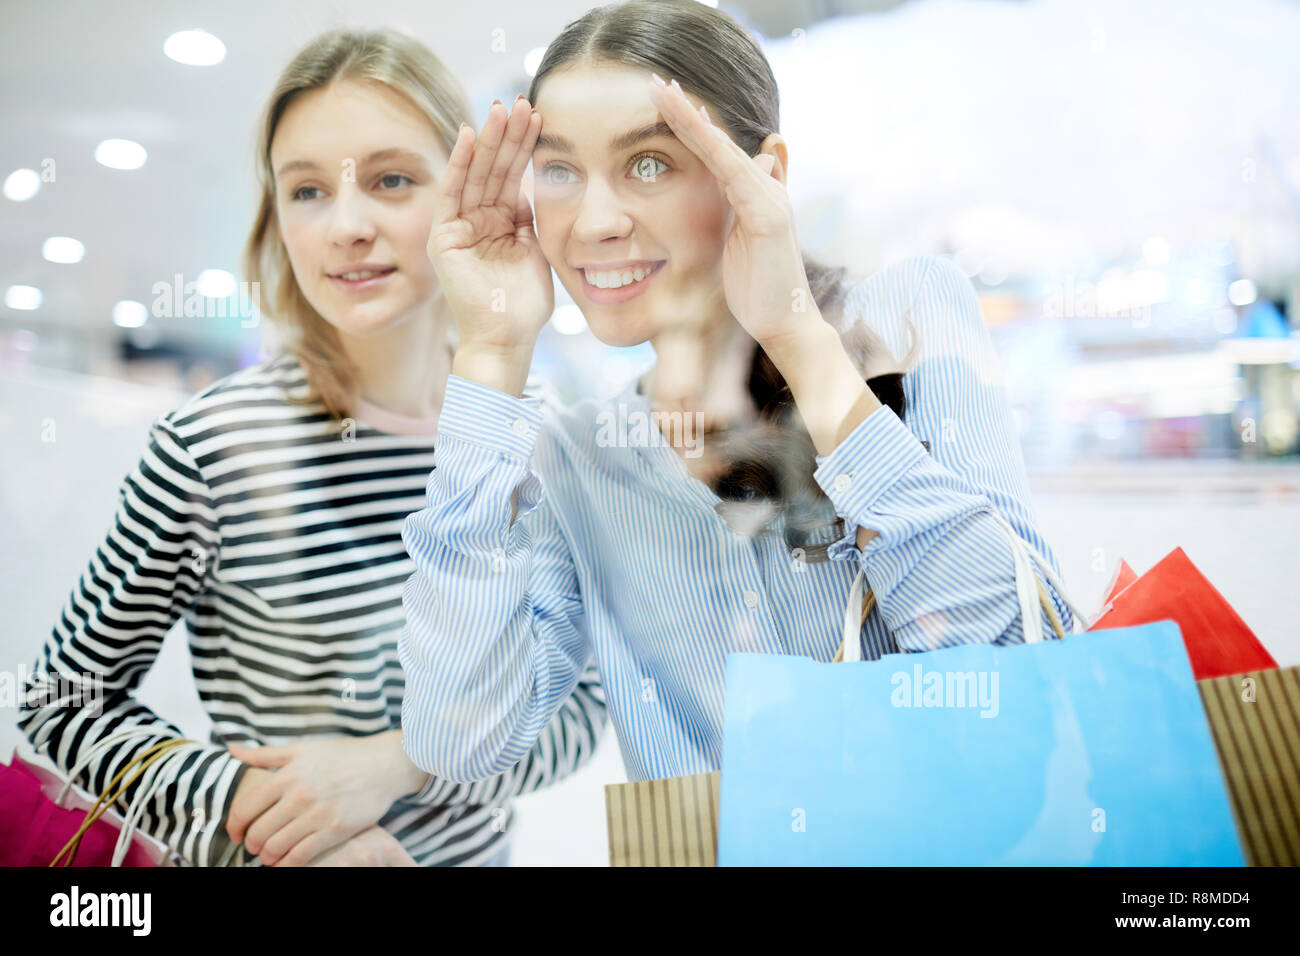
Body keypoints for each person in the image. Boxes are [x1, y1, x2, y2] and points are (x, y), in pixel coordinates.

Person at [398, 0, 1073, 786]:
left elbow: (1025, 671)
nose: (594, 220)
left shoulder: (909, 316)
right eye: (558, 170)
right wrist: (490, 351)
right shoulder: (579, 458)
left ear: (766, 174)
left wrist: (799, 345)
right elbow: (460, 739)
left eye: (649, 163)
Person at [18, 27, 606, 867]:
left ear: (464, 189)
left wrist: (399, 765)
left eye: (391, 179)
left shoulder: (544, 436)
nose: (346, 227)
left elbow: (580, 710)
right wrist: (258, 809)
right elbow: (61, 704)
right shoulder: (213, 444)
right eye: (307, 191)